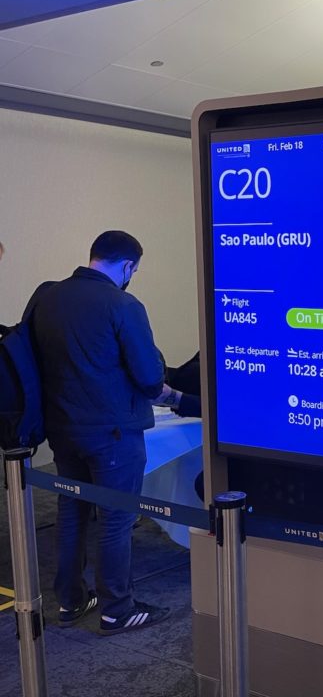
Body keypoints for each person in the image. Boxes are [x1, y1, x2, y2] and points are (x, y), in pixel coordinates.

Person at [29, 231, 172, 634]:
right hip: (113, 433)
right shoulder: (123, 304)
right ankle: (117, 609)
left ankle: (71, 601)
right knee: (115, 520)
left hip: (62, 428)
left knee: (71, 510)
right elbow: (148, 378)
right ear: (128, 267)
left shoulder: (47, 296)